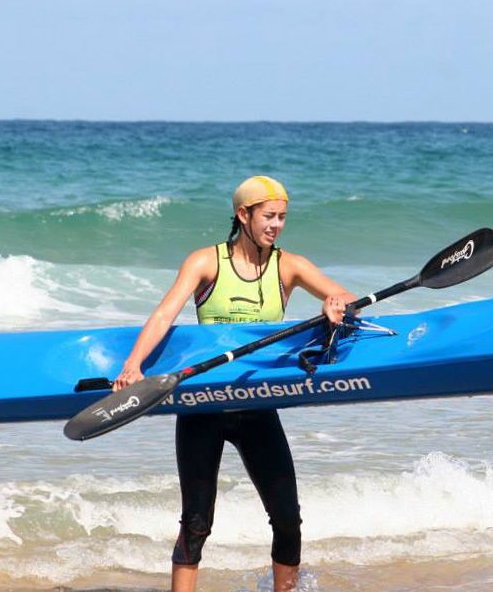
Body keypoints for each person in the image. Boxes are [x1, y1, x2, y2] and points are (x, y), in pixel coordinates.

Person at [113, 175, 356, 592]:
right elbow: (163, 315)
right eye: (268, 216)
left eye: (282, 217)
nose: (276, 225)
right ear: (243, 215)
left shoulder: (289, 265)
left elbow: (348, 301)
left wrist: (336, 304)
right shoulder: (205, 262)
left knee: (286, 518)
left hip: (256, 402)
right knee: (196, 522)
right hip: (203, 404)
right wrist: (133, 364)